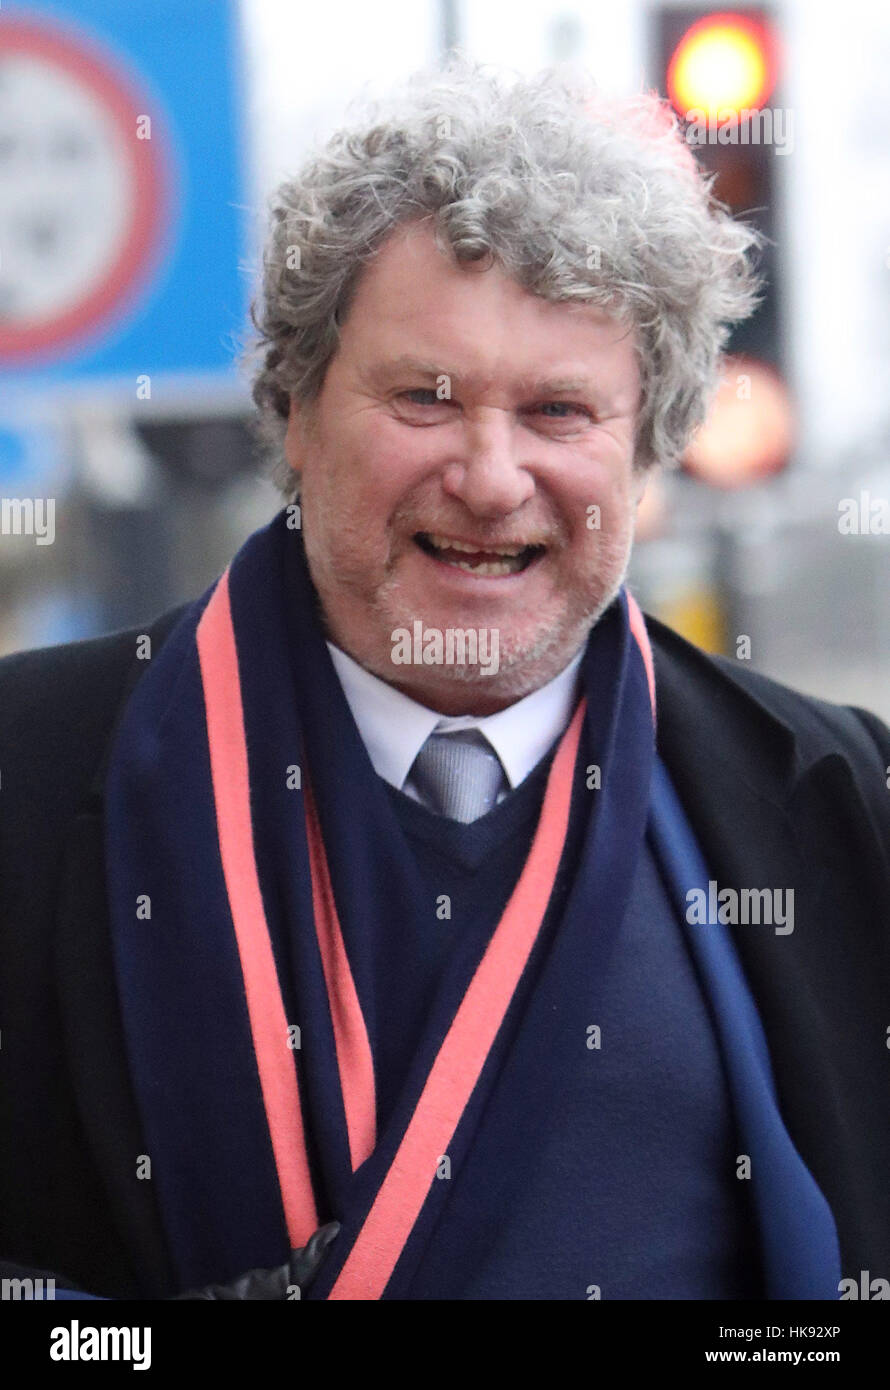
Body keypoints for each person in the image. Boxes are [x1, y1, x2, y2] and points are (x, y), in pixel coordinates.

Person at [2, 56, 889, 1303]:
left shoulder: (841, 801)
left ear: (646, 450)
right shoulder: (28, 775)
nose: (488, 474)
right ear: (294, 408)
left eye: (559, 412)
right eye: (425, 396)